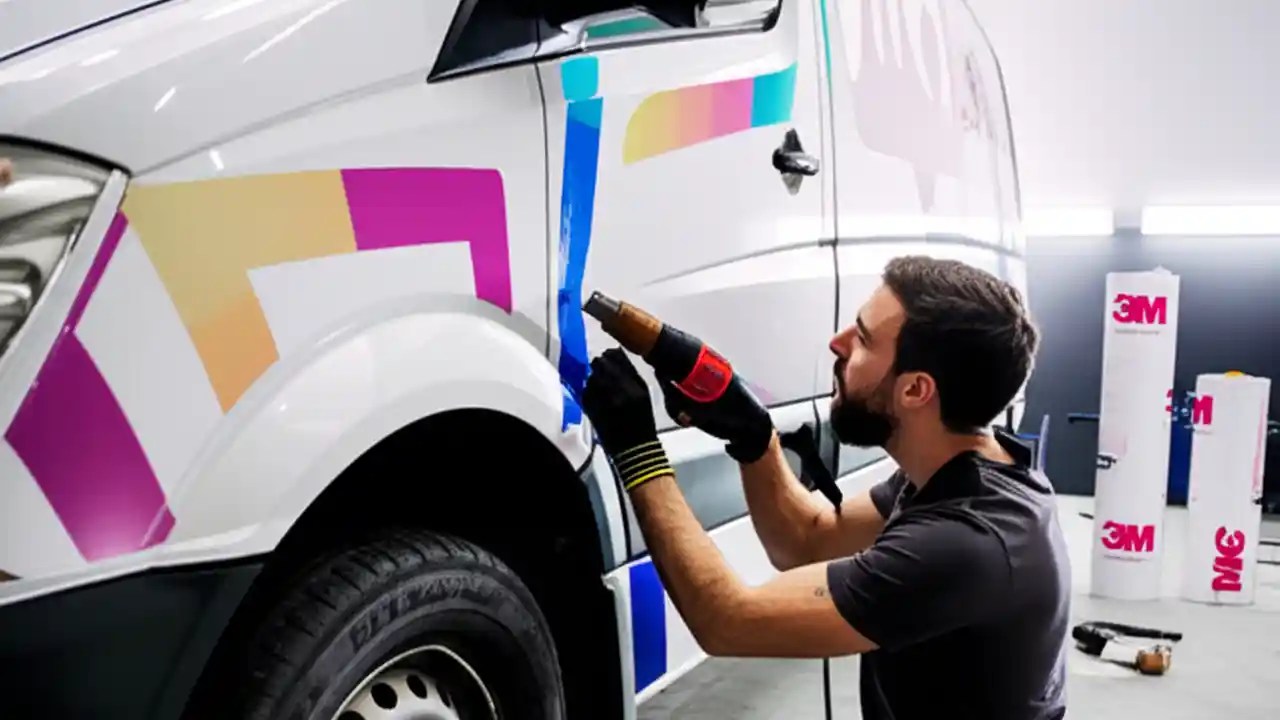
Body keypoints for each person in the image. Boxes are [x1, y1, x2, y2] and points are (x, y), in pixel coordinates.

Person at [580, 255, 1070, 720]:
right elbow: (808, 539)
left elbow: (728, 620)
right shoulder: (961, 472)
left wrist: (638, 452)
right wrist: (754, 439)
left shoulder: (966, 543)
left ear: (916, 390)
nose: (837, 344)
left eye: (863, 339)